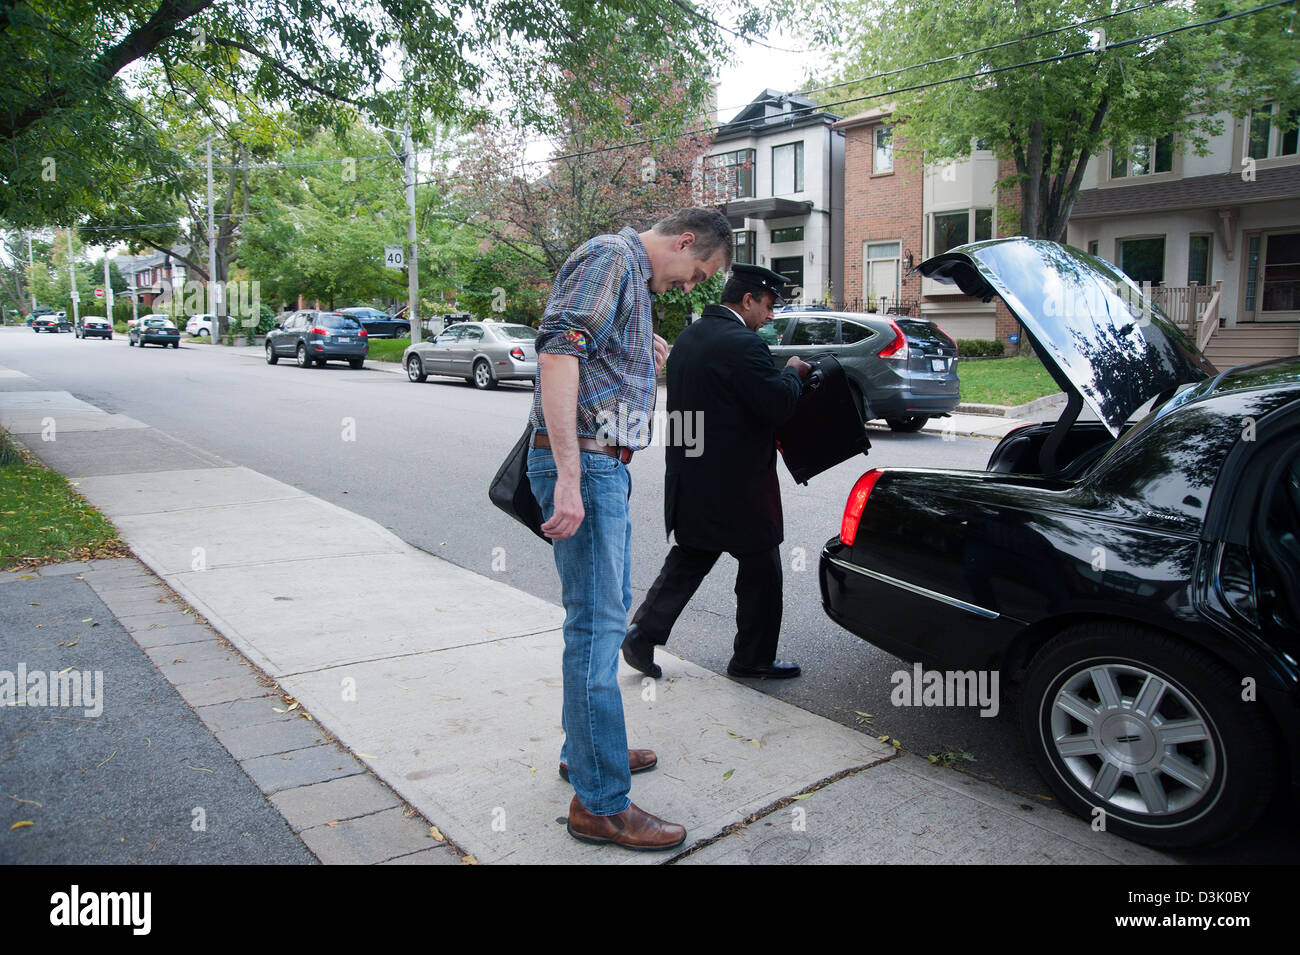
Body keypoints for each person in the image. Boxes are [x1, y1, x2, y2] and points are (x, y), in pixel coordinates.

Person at [526, 208, 732, 851]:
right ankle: (601, 804)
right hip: (586, 463)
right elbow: (557, 354)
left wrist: (647, 351)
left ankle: (582, 753)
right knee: (597, 628)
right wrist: (566, 476)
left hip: (601, 462)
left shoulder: (632, 279)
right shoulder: (611, 259)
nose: (692, 284)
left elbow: (594, 357)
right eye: (697, 271)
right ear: (684, 241)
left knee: (596, 619)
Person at [621, 263, 811, 683]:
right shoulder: (742, 344)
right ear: (747, 300)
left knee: (691, 556)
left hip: (691, 476)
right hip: (738, 484)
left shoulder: (689, 338)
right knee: (762, 569)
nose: (771, 315)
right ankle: (752, 659)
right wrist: (794, 373)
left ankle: (642, 634)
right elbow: (776, 404)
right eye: (767, 305)